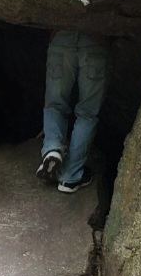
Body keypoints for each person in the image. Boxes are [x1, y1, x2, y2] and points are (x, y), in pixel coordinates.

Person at [36, 29, 109, 194]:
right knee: (87, 113)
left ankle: (52, 149)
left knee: (55, 104)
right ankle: (70, 177)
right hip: (94, 40)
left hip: (61, 37)